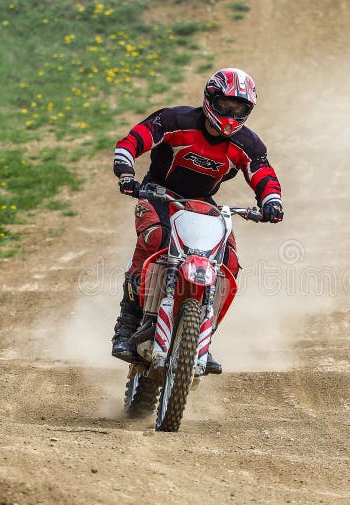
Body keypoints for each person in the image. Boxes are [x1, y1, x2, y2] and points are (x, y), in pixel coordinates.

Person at [110, 67, 284, 374]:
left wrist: (271, 201)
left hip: (202, 204)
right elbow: (132, 141)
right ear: (209, 99)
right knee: (155, 240)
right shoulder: (176, 121)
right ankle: (127, 324)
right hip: (158, 193)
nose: (231, 114)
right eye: (225, 106)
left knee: (228, 262)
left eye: (239, 109)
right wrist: (126, 173)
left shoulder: (248, 143)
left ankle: (202, 337)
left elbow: (262, 173)